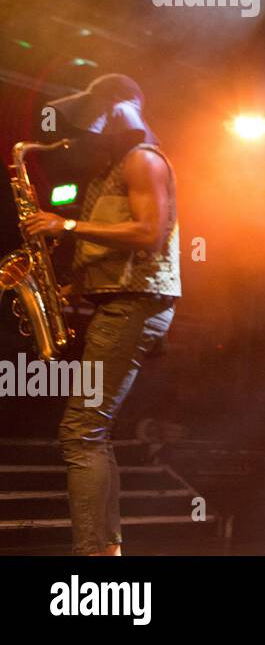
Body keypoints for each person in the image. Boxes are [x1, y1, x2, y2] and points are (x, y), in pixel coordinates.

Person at [19, 73, 182, 556]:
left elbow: (150, 233)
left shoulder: (143, 160)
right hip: (120, 301)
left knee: (81, 430)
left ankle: (94, 556)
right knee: (92, 431)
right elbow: (117, 244)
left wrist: (65, 223)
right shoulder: (116, 166)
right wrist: (68, 284)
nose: (83, 128)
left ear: (116, 108)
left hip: (135, 304)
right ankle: (106, 549)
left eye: (93, 114)